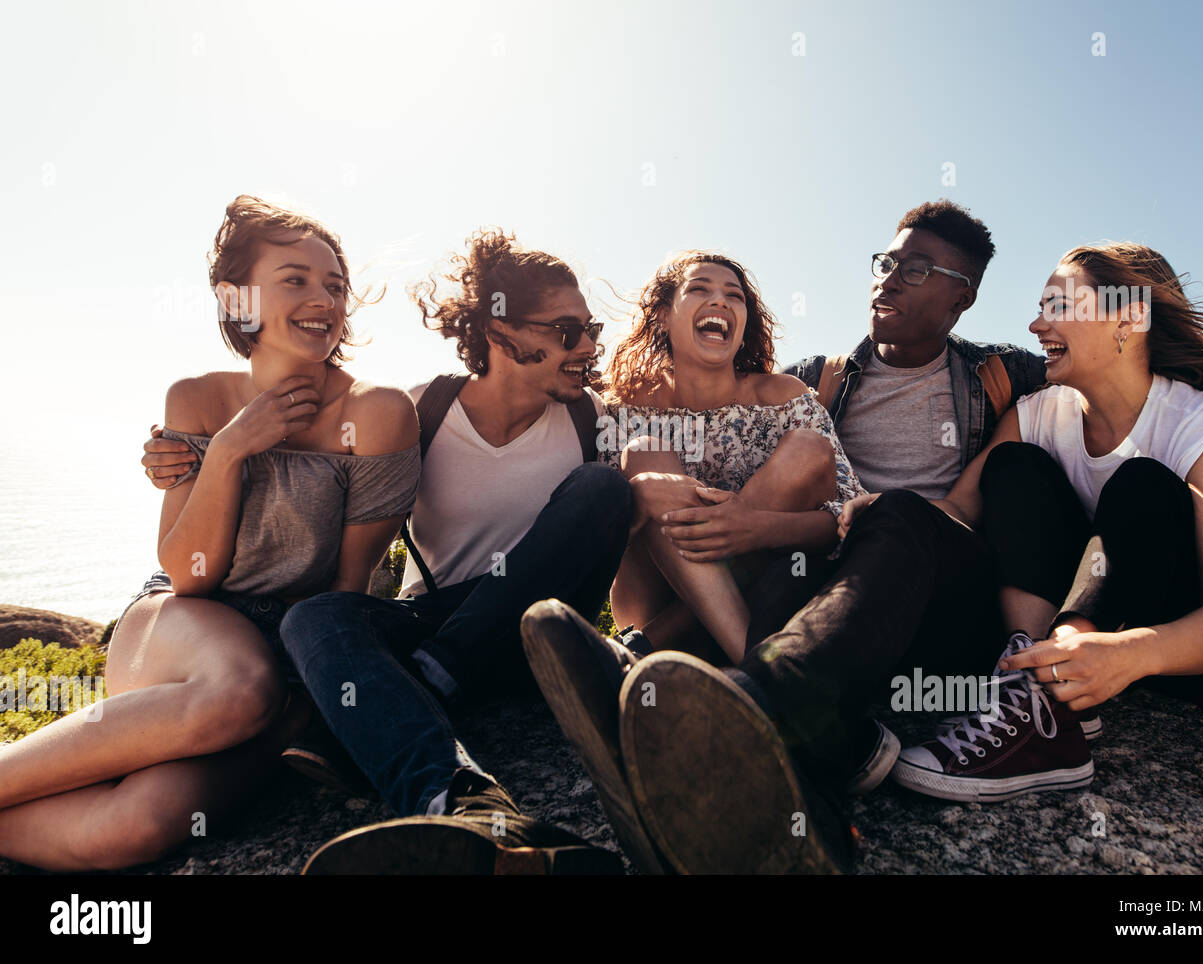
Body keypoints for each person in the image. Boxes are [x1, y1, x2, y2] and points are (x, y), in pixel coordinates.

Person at [519, 200, 1203, 874]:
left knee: (1136, 489)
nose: (888, 277)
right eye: (885, 262)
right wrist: (862, 526)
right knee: (906, 512)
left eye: (915, 268)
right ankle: (767, 739)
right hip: (898, 592)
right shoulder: (858, 383)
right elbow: (951, 511)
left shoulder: (1038, 383)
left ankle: (746, 702)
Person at [0, 195, 421, 871]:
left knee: (133, 829)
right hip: (179, 623)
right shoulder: (196, 399)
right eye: (295, 279)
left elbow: (345, 596)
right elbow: (190, 575)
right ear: (237, 299)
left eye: (335, 285)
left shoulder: (377, 413)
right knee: (237, 689)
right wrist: (228, 450)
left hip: (296, 656)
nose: (324, 299)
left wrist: (307, 707)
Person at [232, 229, 625, 874]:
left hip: (540, 638)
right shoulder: (424, 410)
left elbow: (667, 458)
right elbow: (322, 476)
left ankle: (430, 677)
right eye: (566, 330)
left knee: (604, 489)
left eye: (591, 330)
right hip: (434, 621)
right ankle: (463, 804)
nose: (586, 347)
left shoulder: (595, 424)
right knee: (314, 617)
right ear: (499, 332)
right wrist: (199, 453)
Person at [887, 241, 1203, 802]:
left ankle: (1050, 695)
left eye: (1059, 306)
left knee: (1141, 484)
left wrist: (1129, 654)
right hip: (1111, 629)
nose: (1036, 325)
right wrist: (876, 511)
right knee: (1014, 466)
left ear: (1127, 320)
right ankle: (1036, 680)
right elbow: (959, 509)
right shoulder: (1039, 412)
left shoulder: (1202, 428)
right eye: (1040, 308)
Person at [599, 251, 863, 664]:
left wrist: (753, 527)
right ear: (664, 316)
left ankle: (656, 647)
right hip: (652, 596)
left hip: (764, 593)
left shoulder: (785, 398)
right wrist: (642, 500)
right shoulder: (624, 406)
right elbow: (601, 539)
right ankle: (759, 671)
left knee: (809, 448)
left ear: (742, 327)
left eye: (734, 295)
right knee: (644, 452)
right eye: (699, 289)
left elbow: (848, 521)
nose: (720, 300)